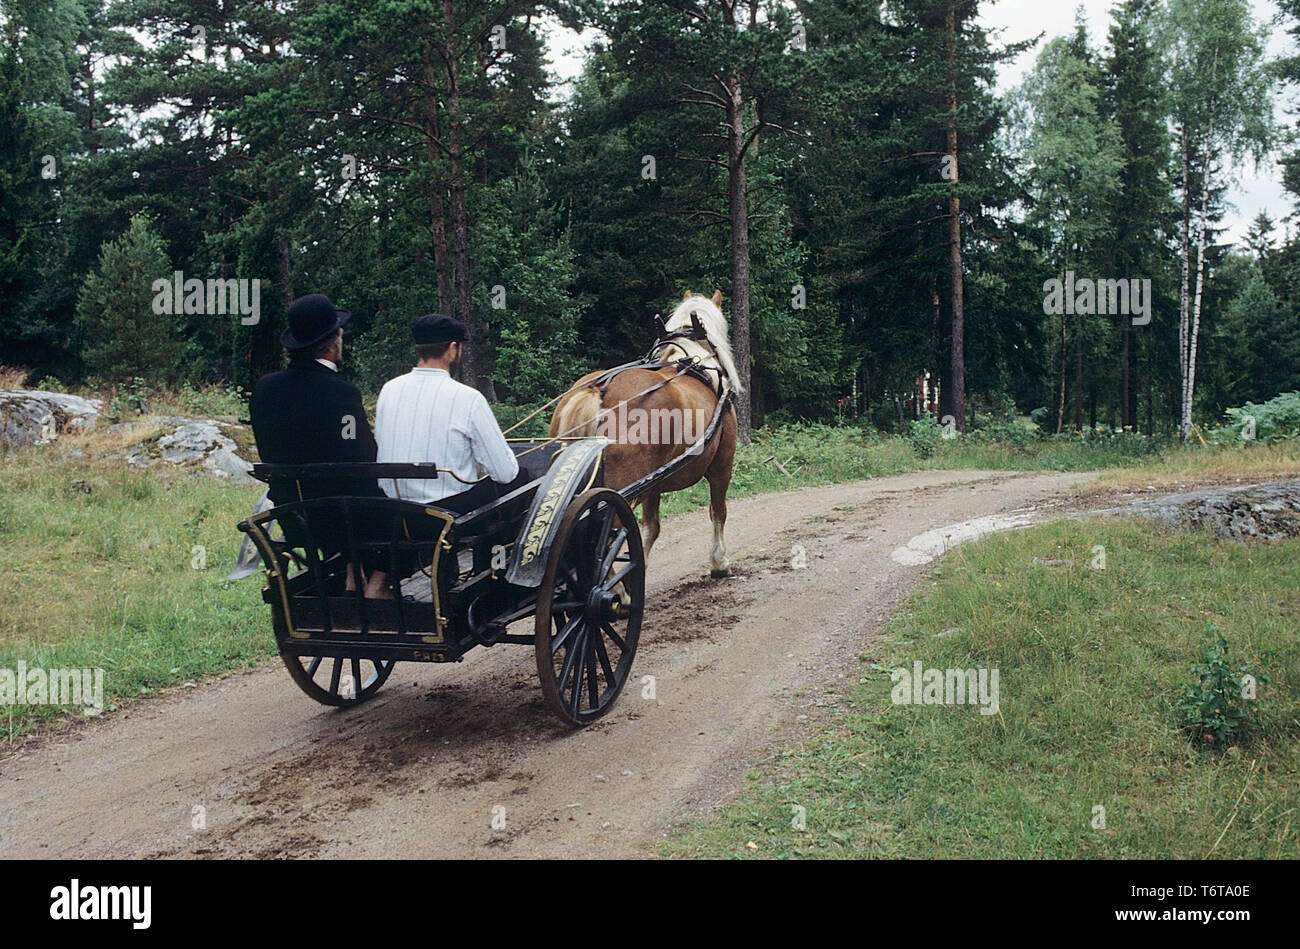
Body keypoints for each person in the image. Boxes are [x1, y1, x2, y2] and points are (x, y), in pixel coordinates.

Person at [367, 313, 528, 596]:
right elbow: (505, 472)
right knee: (521, 480)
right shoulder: (467, 398)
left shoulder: (388, 391)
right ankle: (494, 576)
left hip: (394, 513)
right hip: (445, 518)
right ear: (452, 349)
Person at [248, 293, 387, 595]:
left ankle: (351, 571)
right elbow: (365, 457)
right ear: (332, 343)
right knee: (409, 510)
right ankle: (372, 583)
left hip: (294, 516)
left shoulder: (264, 390)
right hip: (345, 519)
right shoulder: (340, 392)